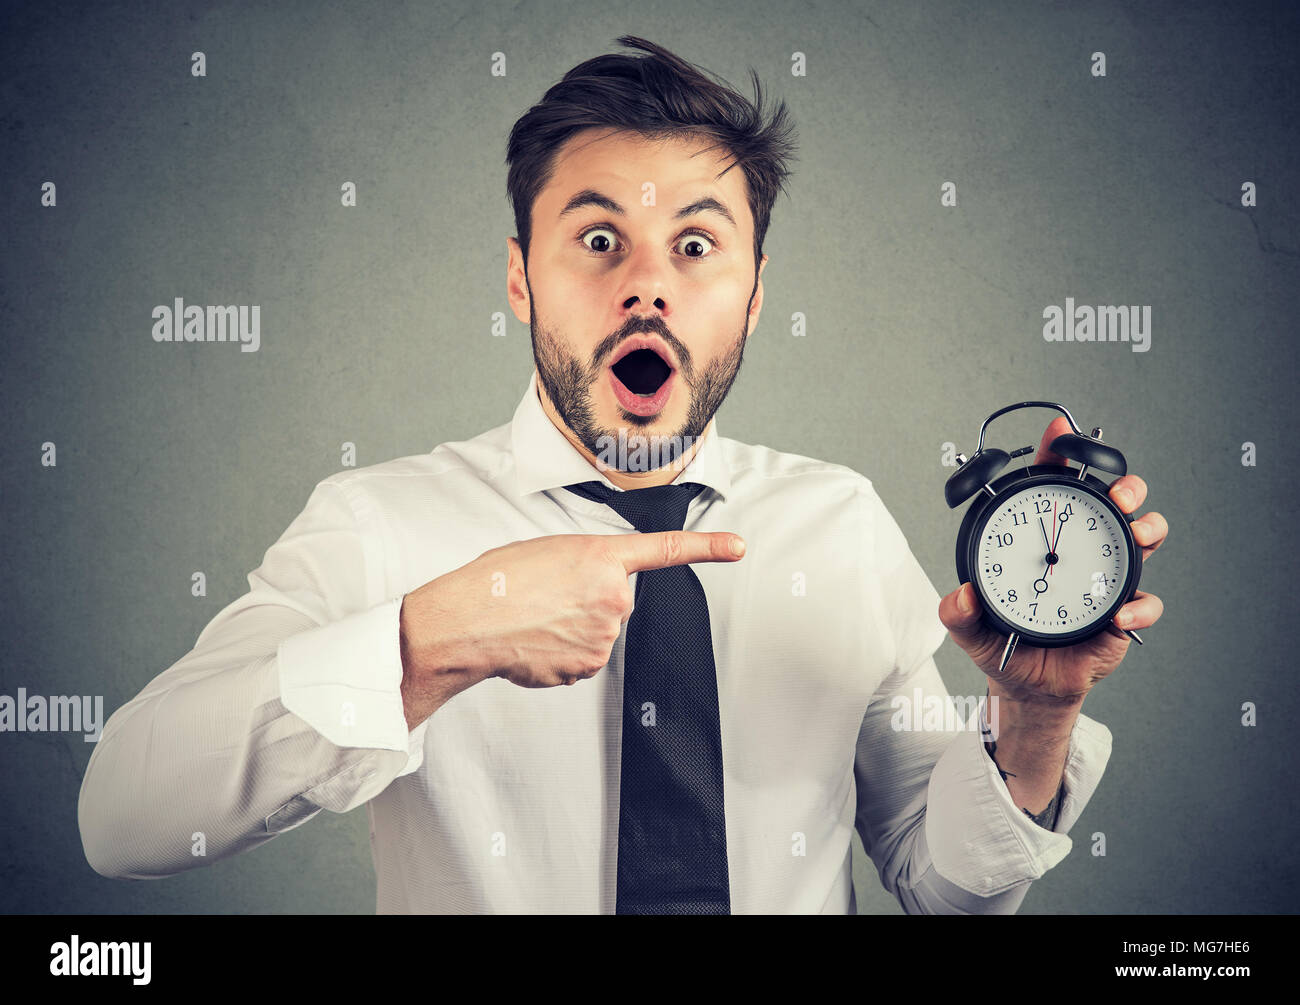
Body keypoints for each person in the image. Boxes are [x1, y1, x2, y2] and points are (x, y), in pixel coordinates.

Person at [78, 36, 1167, 913]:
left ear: (751, 293)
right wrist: (435, 637)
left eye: (696, 247)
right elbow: (122, 818)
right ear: (519, 277)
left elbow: (944, 888)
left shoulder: (836, 523)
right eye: (598, 239)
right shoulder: (377, 522)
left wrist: (1032, 720)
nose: (646, 285)